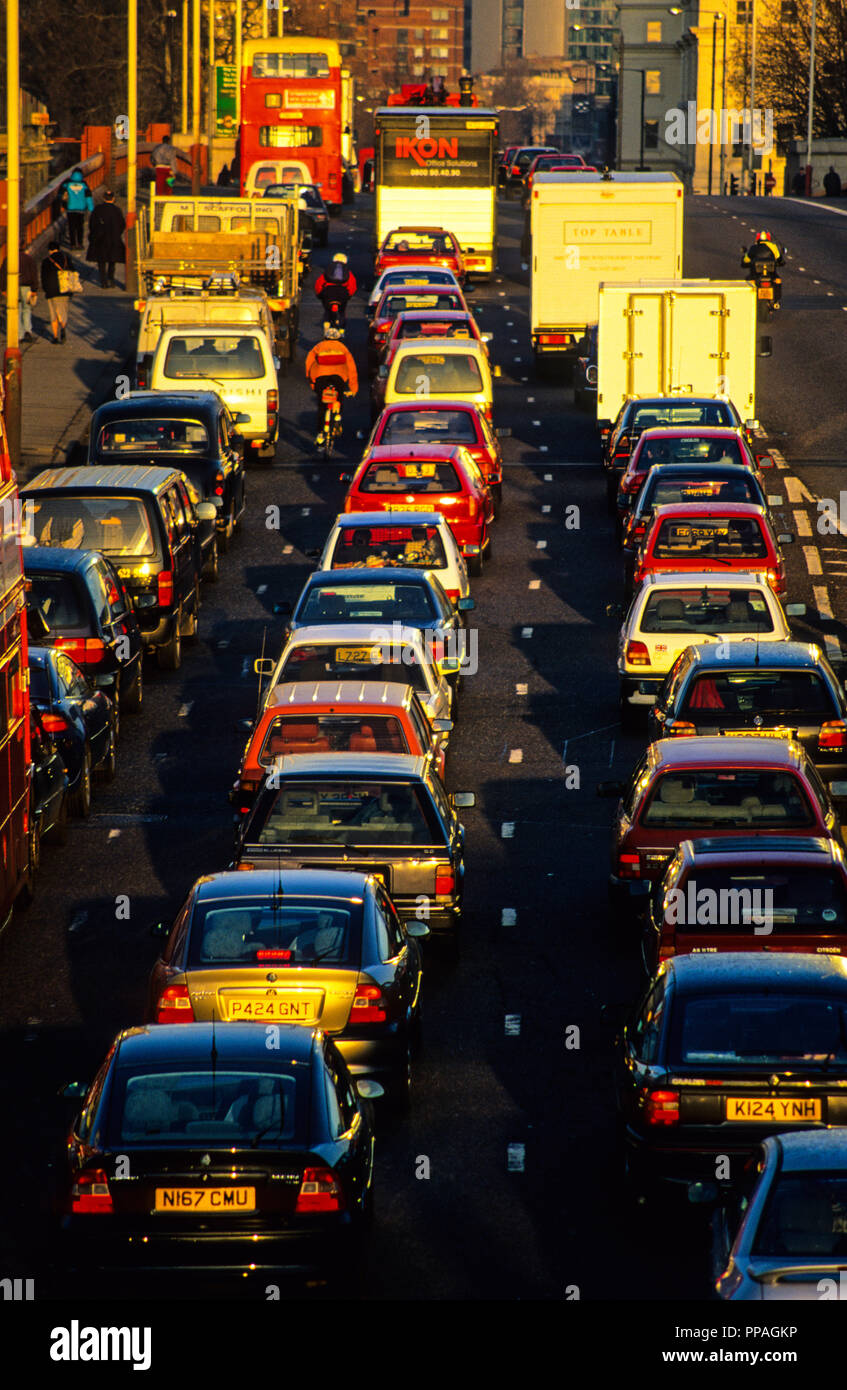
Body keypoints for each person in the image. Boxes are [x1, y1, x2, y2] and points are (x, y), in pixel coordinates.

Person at [304, 327, 358, 445]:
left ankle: (320, 433)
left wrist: (312, 382)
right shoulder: (343, 348)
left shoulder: (318, 347)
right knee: (339, 397)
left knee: (322, 407)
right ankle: (338, 416)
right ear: (339, 339)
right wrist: (353, 388)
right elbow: (352, 369)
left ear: (325, 338)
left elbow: (309, 363)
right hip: (338, 378)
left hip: (320, 379)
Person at [86, 189, 125, 288]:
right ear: (113, 198)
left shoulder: (98, 209)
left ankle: (103, 282)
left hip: (100, 239)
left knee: (101, 261)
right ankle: (111, 279)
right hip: (113, 239)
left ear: (103, 198)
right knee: (112, 261)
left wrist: (94, 235)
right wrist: (117, 234)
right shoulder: (117, 210)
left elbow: (92, 224)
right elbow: (122, 225)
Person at [0, 242, 38, 341]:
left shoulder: (8, 259)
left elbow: (3, 274)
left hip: (13, 287)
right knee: (27, 308)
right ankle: (27, 331)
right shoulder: (29, 259)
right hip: (27, 287)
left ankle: (19, 334)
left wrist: (3, 289)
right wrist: (34, 289)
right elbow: (34, 274)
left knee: (17, 310)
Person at [313, 252, 358, 329]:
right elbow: (352, 286)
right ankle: (342, 331)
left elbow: (319, 284)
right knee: (342, 312)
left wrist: (319, 295)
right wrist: (348, 296)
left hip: (328, 293)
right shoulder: (348, 273)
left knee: (327, 311)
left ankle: (326, 327)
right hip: (342, 294)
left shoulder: (328, 271)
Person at [742, 230, 785, 307]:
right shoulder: (773, 247)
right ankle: (775, 301)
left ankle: (747, 302)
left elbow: (745, 260)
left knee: (748, 282)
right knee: (777, 280)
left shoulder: (753, 248)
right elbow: (779, 259)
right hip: (771, 274)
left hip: (755, 275)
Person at [41, 240, 73, 343]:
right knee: (63, 311)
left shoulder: (46, 261)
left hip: (51, 290)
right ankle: (63, 327)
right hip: (65, 289)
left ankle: (55, 337)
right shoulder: (66, 258)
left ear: (50, 250)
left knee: (53, 313)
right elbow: (73, 272)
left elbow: (43, 278)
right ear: (58, 248)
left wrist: (46, 289)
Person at [59, 167, 94, 249]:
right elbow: (88, 196)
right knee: (80, 226)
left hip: (70, 208)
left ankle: (73, 244)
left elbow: (61, 194)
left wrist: (62, 204)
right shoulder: (84, 184)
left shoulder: (67, 184)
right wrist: (91, 208)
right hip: (81, 208)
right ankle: (80, 243)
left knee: (71, 226)